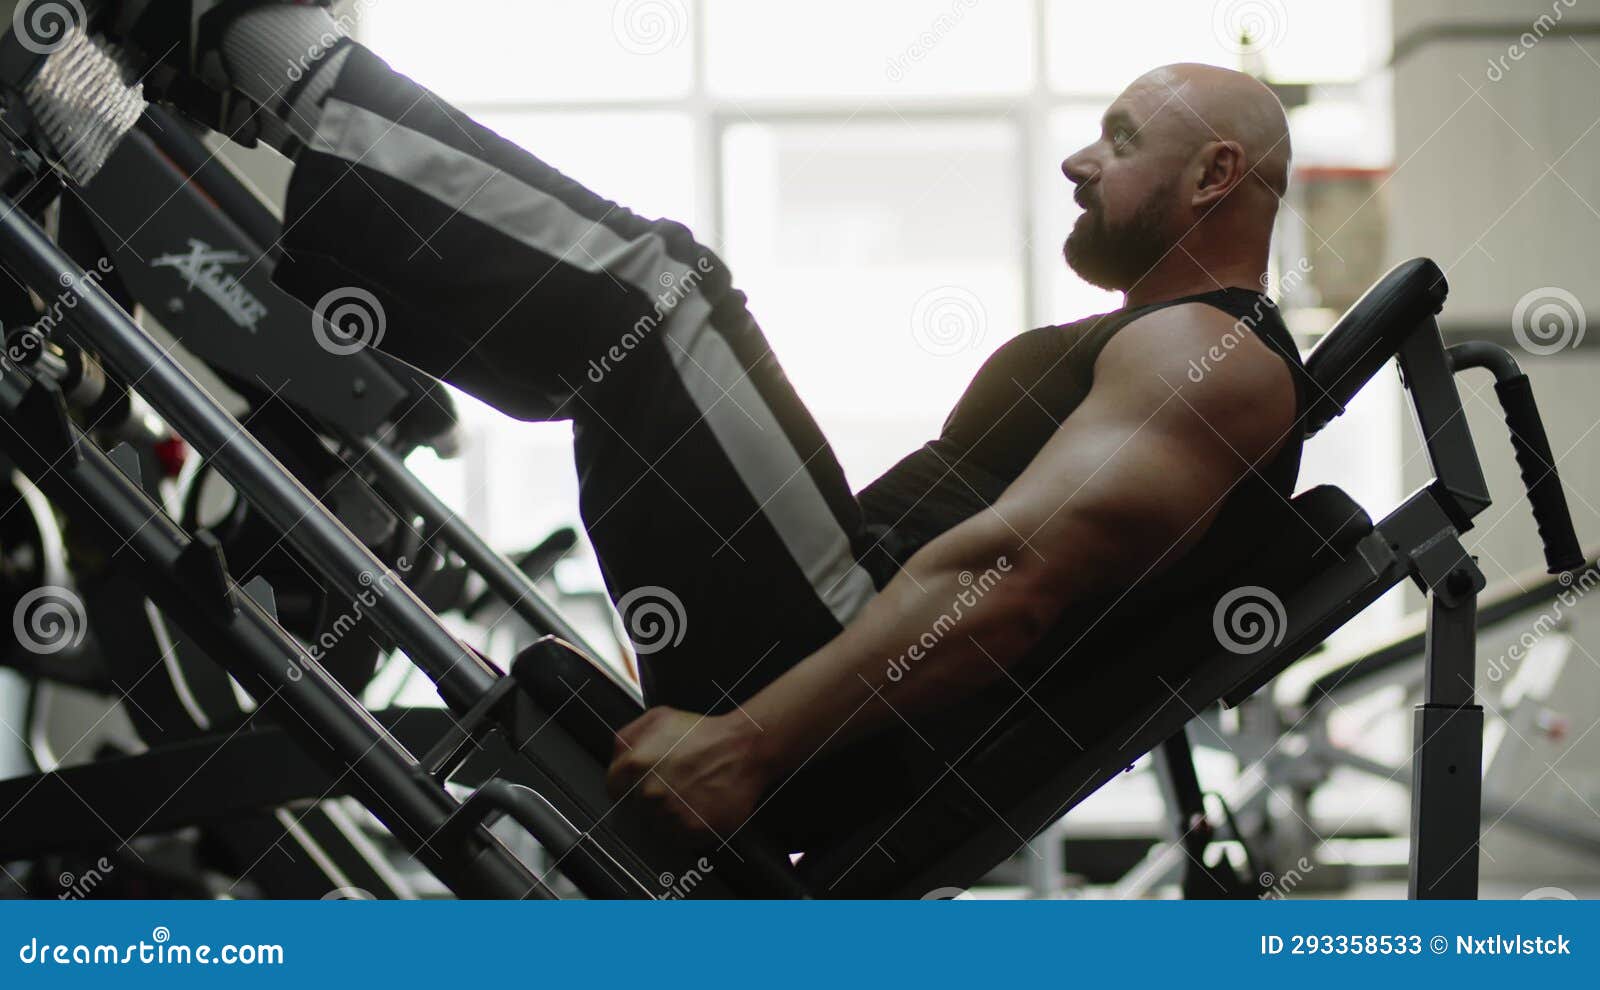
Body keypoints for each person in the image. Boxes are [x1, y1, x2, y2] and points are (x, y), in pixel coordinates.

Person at [99, 2, 1309, 850]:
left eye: (1120, 139)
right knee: (619, 329)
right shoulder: (1181, 348)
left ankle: (250, 52)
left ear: (1212, 176)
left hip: (834, 694)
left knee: (655, 292)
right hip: (842, 661)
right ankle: (216, 169)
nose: (1077, 162)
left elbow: (1012, 578)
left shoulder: (1219, 357)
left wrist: (751, 745)